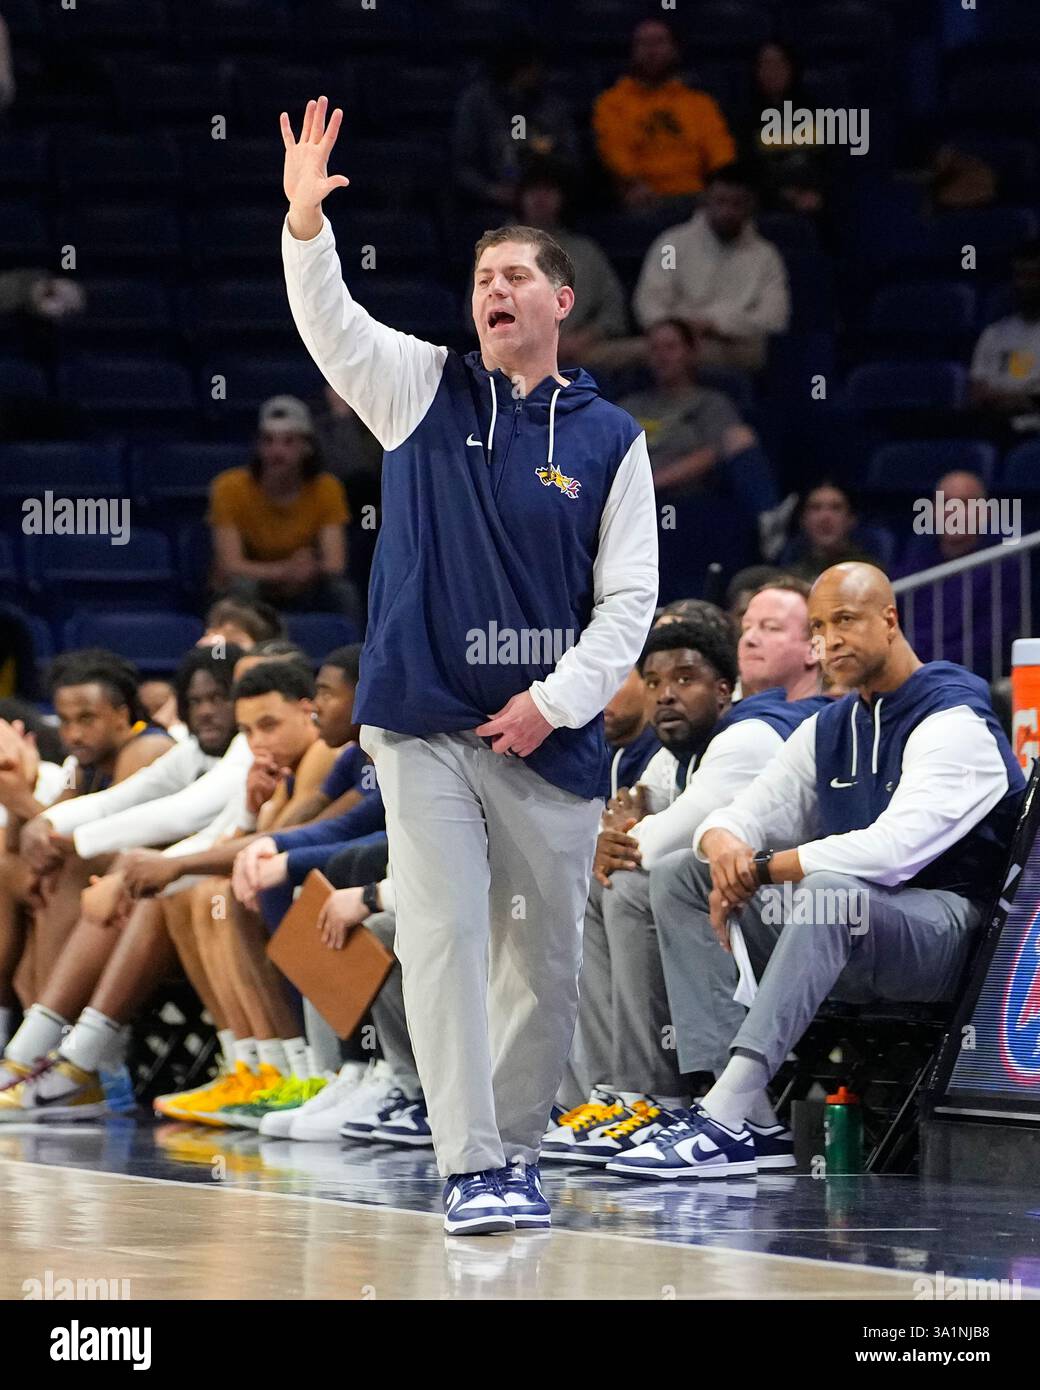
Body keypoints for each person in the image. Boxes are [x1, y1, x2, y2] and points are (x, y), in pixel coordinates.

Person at [280, 96, 657, 1234]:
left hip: (548, 733)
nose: (491, 289)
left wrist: (551, 703)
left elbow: (628, 601)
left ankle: (515, 1146)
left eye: (513, 276)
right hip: (422, 720)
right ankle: (468, 1166)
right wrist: (306, 223)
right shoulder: (422, 389)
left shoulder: (610, 441)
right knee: (442, 932)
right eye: (480, 276)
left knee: (544, 960)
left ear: (559, 301)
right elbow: (332, 325)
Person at [609, 563, 1025, 1180]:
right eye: (821, 627)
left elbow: (894, 851)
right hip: (852, 929)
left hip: (952, 933)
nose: (829, 641)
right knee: (679, 875)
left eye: (846, 621)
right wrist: (724, 843)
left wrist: (763, 867)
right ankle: (748, 1115)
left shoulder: (954, 717)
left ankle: (720, 1115)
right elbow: (743, 814)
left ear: (890, 620)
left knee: (832, 892)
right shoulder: (829, 726)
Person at [553, 586, 829, 1146]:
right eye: (653, 683)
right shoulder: (675, 753)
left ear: (725, 691)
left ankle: (692, 1099)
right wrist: (606, 839)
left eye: (684, 680)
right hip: (747, 908)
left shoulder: (747, 737)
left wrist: (613, 840)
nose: (665, 696)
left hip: (802, 911)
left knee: (641, 884)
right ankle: (624, 1090)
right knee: (593, 886)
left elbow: (646, 846)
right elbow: (618, 824)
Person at [208, 395, 360, 621]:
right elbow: (231, 565)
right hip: (255, 584)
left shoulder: (327, 488)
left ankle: (353, 653)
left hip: (305, 584)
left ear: (307, 447)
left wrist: (308, 568)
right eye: (268, 441)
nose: (277, 451)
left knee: (342, 591)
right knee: (241, 587)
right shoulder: (228, 486)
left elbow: (334, 564)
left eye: (288, 441)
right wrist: (285, 570)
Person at [633, 163, 790, 371]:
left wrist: (715, 324)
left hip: (735, 346)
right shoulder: (672, 243)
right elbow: (649, 303)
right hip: (671, 341)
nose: (727, 211)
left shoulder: (766, 255)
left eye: (737, 204)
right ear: (705, 200)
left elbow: (774, 318)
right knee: (604, 355)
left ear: (751, 206)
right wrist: (681, 331)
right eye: (720, 202)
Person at [593, 16, 735, 212]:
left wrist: (721, 186)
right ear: (633, 50)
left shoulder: (699, 103)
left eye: (659, 42)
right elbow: (615, 151)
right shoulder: (611, 102)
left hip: (697, 197)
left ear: (674, 50)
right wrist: (633, 184)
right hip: (643, 196)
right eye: (644, 43)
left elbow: (721, 152)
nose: (651, 50)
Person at [894, 470, 1020, 678]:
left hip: (969, 676)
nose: (953, 511)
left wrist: (927, 664)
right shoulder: (912, 563)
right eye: (945, 502)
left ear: (985, 512)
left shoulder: (1002, 566)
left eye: (965, 503)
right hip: (910, 672)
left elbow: (991, 636)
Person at [513, 161, 630, 371]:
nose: (540, 198)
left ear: (562, 198)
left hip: (583, 351)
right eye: (533, 190)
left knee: (646, 351)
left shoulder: (586, 251)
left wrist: (586, 337)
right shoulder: (495, 250)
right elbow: (477, 315)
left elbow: (613, 308)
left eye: (548, 190)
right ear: (521, 197)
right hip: (516, 355)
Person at [452, 33, 579, 213]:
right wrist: (491, 191)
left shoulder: (554, 107)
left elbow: (570, 160)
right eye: (531, 65)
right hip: (489, 206)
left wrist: (546, 193)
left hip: (546, 208)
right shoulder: (476, 103)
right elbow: (463, 167)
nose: (537, 72)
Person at [969, 239, 1040, 436]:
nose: (1025, 284)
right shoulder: (993, 333)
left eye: (1033, 276)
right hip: (995, 424)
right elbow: (977, 392)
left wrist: (1022, 400)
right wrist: (1014, 399)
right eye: (1020, 276)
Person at [779, 481, 880, 582]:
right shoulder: (791, 579)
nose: (825, 517)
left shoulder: (871, 574)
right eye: (816, 508)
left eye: (836, 508)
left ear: (851, 518)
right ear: (803, 519)